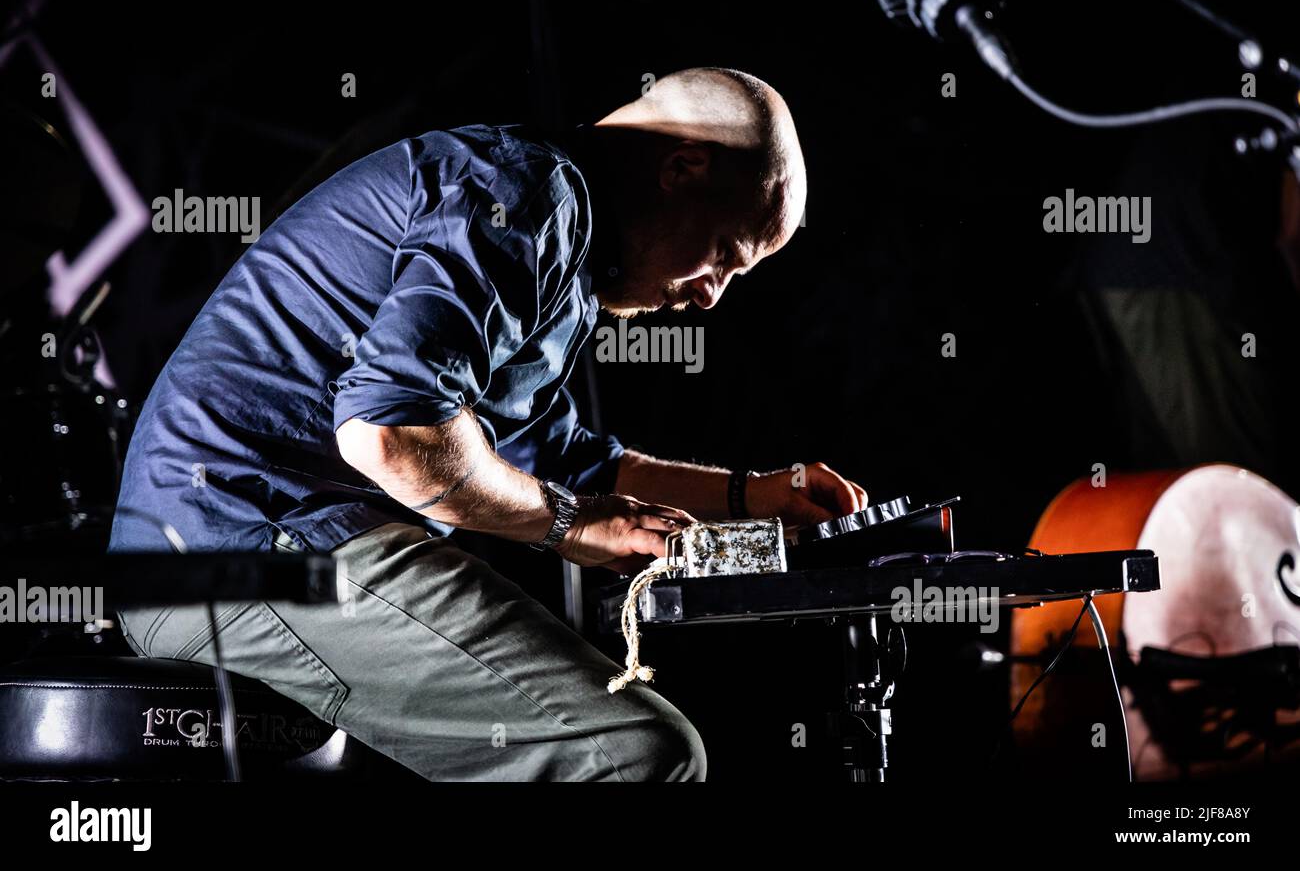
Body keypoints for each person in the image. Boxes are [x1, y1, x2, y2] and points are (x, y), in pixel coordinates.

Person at [108, 67, 868, 781]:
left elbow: (560, 459)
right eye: (726, 257)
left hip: (247, 550)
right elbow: (390, 435)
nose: (710, 298)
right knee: (638, 757)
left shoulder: (552, 239)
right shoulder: (527, 193)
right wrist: (570, 524)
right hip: (248, 545)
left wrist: (750, 496)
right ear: (683, 169)